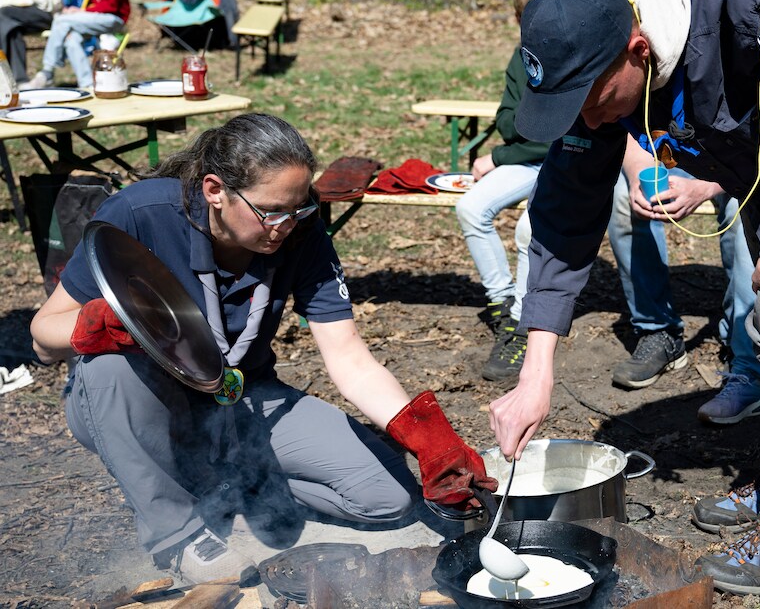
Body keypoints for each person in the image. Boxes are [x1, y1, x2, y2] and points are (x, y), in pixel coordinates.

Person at [489, 0, 760, 596]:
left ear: (639, 50)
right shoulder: (594, 46)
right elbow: (565, 215)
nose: (589, 121)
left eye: (590, 101)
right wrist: (536, 373)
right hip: (756, 132)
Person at [29, 114, 498, 585]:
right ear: (215, 191)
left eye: (298, 210)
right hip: (145, 397)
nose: (286, 226)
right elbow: (42, 336)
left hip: (242, 396)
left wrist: (429, 439)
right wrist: (101, 325)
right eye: (272, 212)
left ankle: (226, 485)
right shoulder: (139, 214)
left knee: (388, 498)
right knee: (107, 368)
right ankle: (178, 537)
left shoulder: (299, 228)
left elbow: (350, 358)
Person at [608, 135, 760, 425]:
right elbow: (628, 128)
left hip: (741, 165)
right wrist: (636, 176)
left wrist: (705, 188)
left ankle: (749, 366)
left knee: (741, 211)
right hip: (678, 160)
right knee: (622, 199)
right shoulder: (645, 87)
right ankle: (659, 333)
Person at [455, 0, 553, 383]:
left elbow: (555, 138)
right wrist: (521, 138)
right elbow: (507, 119)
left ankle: (521, 324)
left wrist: (499, 155)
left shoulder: (576, 56)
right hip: (527, 160)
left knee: (530, 229)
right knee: (470, 207)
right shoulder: (522, 57)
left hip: (564, 164)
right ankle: (502, 300)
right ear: (518, 18)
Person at [19, 0, 127, 89]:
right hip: (99, 17)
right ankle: (87, 84)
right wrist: (78, 11)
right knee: (71, 39)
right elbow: (95, 4)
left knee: (60, 21)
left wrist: (82, 12)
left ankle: (47, 72)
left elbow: (110, 6)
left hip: (113, 18)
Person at [0, 0, 61, 84]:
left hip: (42, 15)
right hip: (10, 18)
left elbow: (52, 5)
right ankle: (20, 82)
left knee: (4, 15)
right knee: (11, 29)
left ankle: (5, 78)